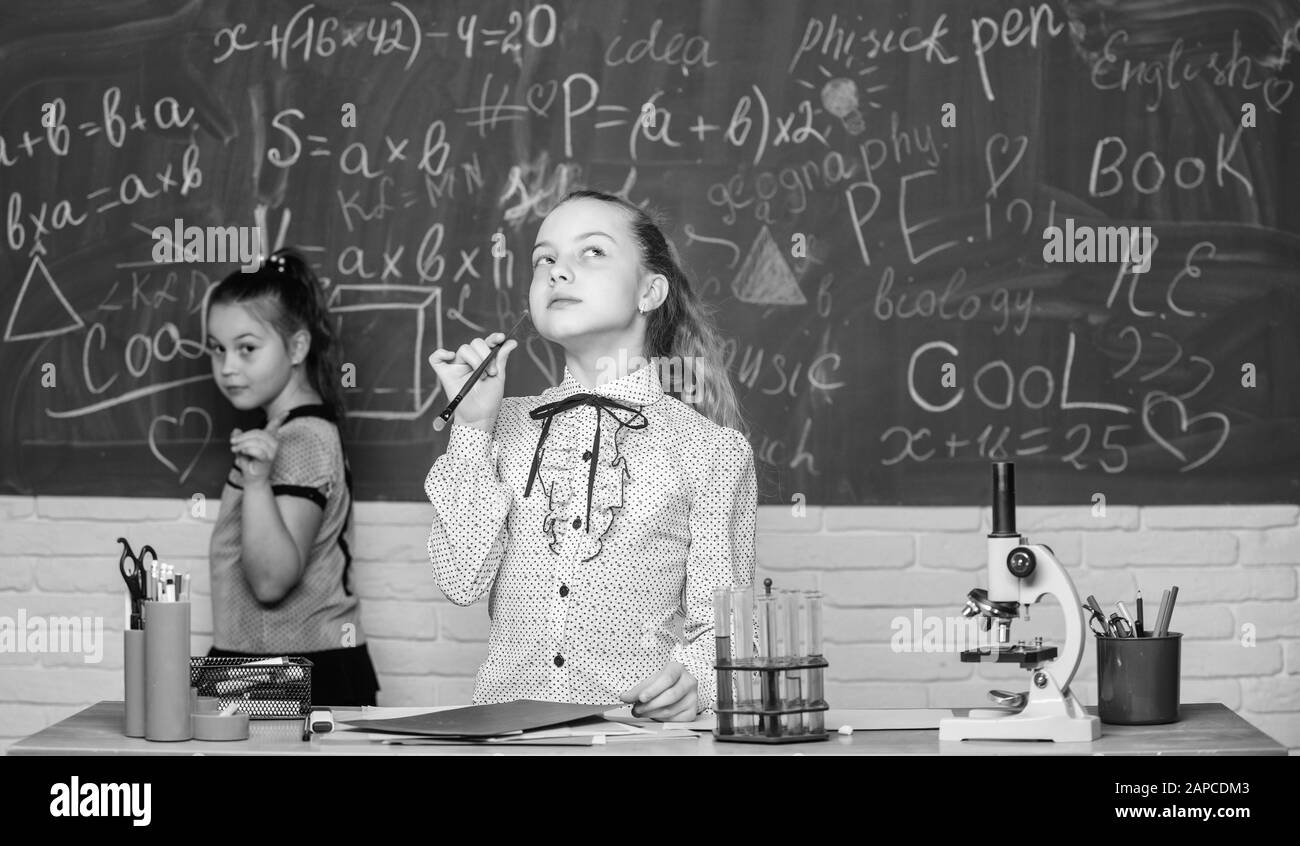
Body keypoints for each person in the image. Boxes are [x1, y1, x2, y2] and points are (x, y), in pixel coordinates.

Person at [426, 190, 757, 722]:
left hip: (635, 740)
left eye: (592, 253)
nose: (557, 272)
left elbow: (729, 627)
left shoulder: (712, 450)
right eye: (544, 259)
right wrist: (470, 427)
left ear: (650, 292)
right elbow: (460, 580)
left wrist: (697, 683)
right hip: (509, 736)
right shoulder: (499, 425)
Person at [205, 247, 378, 706]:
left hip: (291, 676)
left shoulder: (298, 440)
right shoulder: (284, 433)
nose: (227, 367)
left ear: (297, 347)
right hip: (279, 668)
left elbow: (271, 581)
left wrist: (258, 482)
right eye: (217, 348)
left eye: (247, 348)